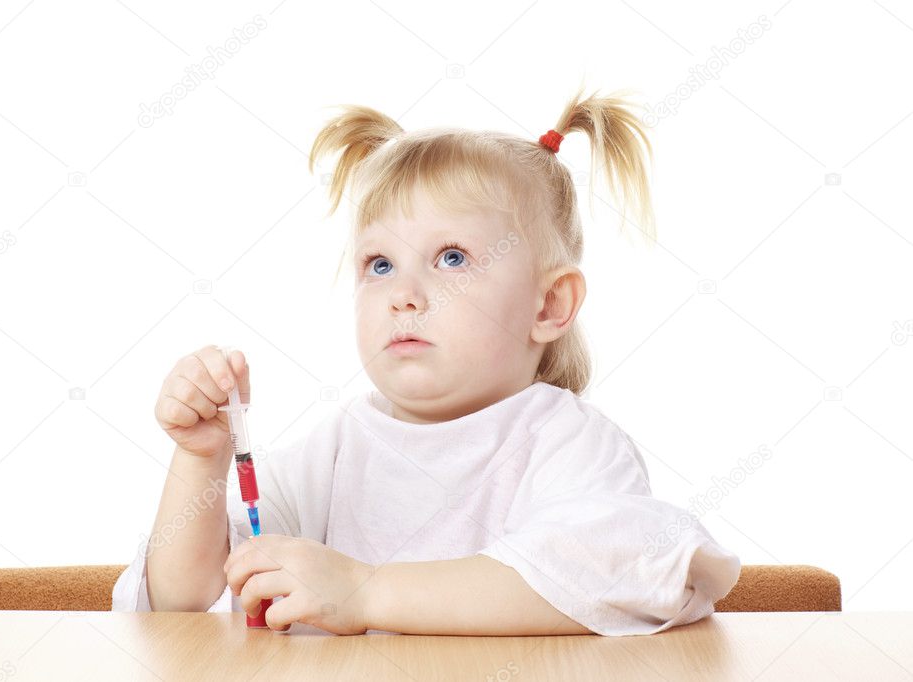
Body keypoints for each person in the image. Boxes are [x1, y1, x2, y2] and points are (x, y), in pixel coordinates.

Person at [111, 83, 741, 637]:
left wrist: (366, 592)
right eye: (380, 264)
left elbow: (612, 574)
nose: (404, 294)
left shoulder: (566, 442)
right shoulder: (335, 449)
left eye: (452, 258)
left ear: (549, 304)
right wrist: (202, 460)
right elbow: (182, 601)